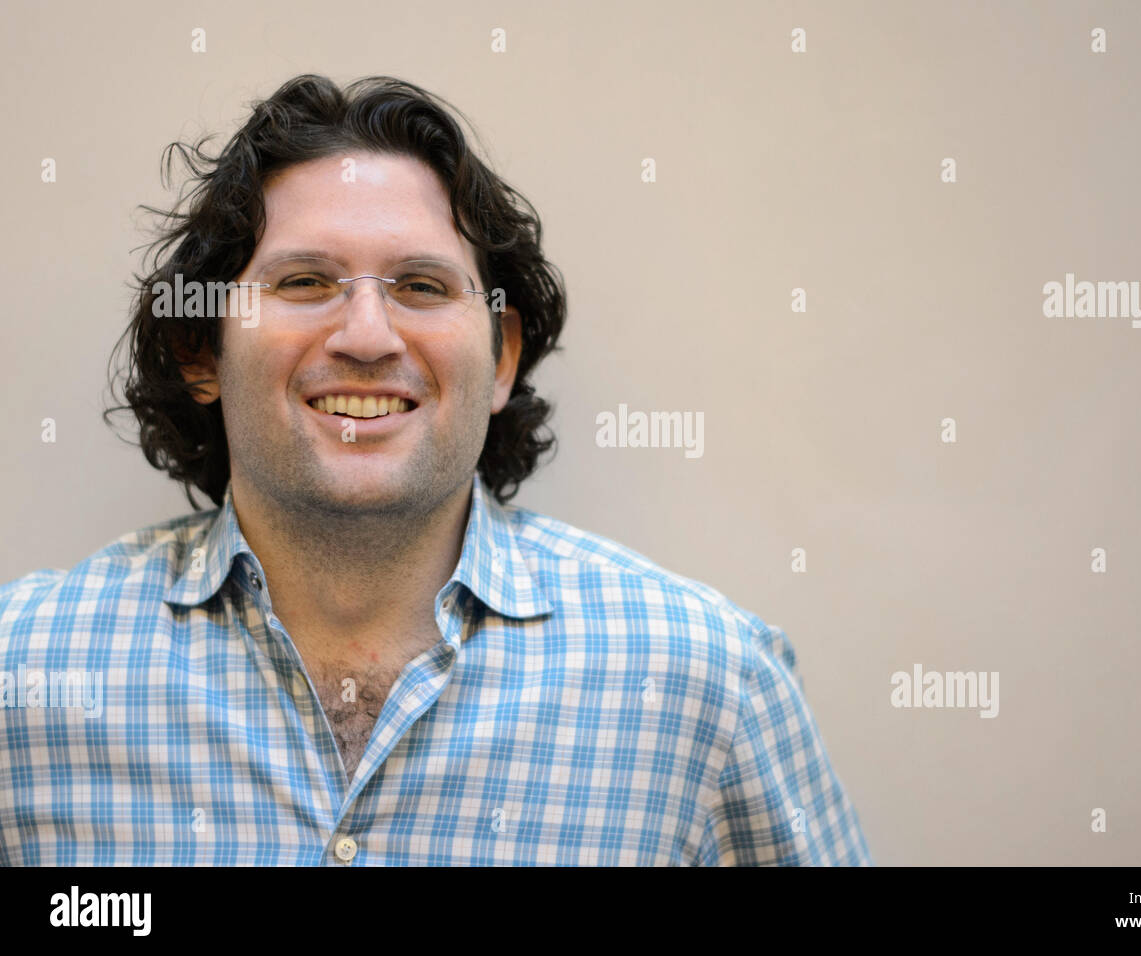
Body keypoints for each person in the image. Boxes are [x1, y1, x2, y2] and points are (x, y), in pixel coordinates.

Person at [0, 74, 871, 866]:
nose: (368, 337)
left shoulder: (709, 684)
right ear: (201, 349)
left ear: (500, 358)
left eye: (421, 286)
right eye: (305, 281)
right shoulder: (21, 675)